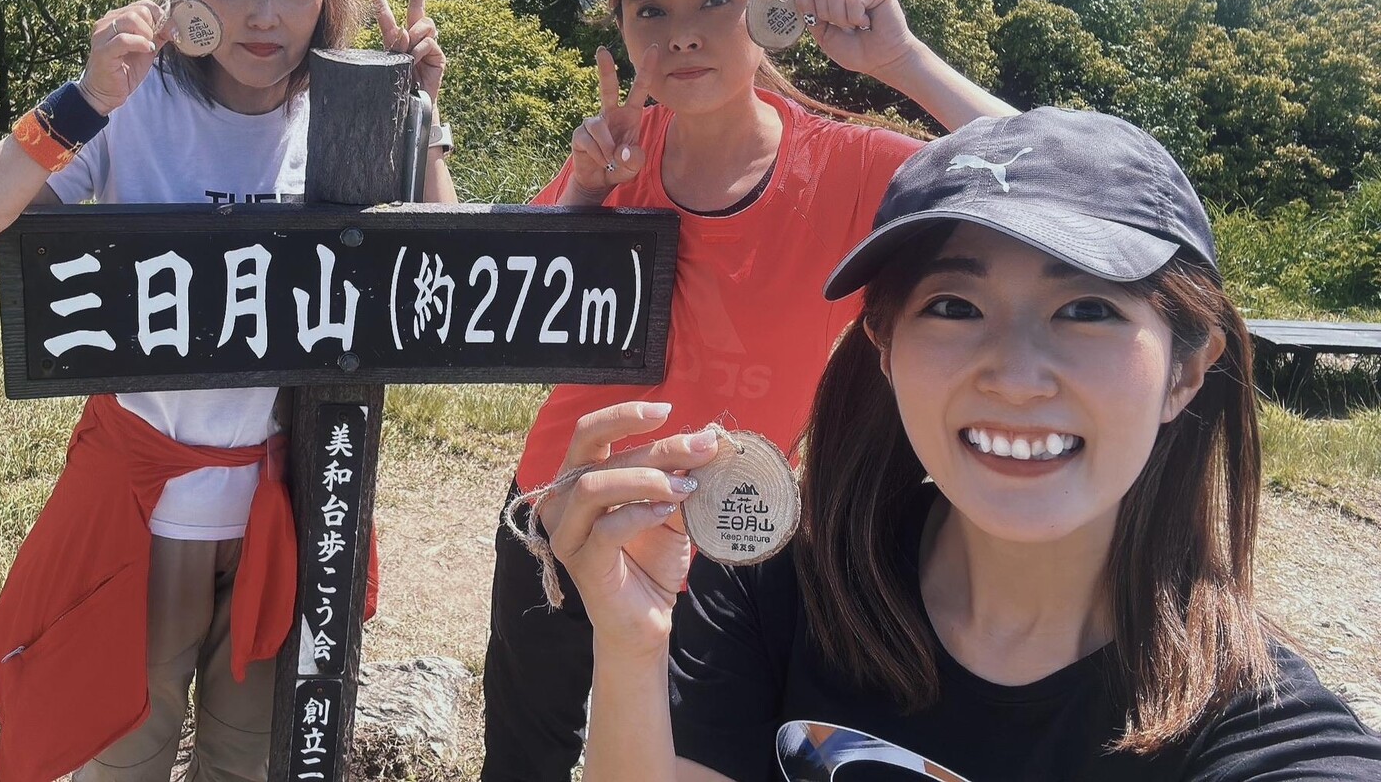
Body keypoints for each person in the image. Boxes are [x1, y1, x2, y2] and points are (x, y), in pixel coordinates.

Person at [548, 107, 1381, 781]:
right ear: (884, 342)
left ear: (1186, 370)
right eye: (954, 305)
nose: (1016, 376)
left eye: (1087, 308)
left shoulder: (1252, 727)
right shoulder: (773, 592)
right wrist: (630, 648)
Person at [0, 0, 451, 782]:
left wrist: (417, 121)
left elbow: (432, 305)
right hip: (139, 512)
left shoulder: (351, 113)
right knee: (118, 753)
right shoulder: (135, 105)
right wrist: (80, 102)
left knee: (250, 762)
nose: (261, 11)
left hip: (283, 513)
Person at [482, 0, 1016, 780]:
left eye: (715, 0)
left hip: (728, 541)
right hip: (564, 502)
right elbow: (512, 315)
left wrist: (904, 60)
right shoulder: (616, 157)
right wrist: (582, 194)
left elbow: (1049, 177)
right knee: (525, 753)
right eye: (651, 9)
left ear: (773, 13)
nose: (681, 32)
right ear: (622, 29)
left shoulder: (848, 168)